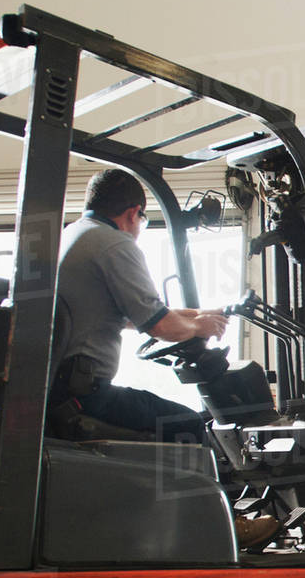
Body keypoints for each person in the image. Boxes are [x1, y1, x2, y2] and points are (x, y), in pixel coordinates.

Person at [48, 168, 229, 444]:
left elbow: (135, 316)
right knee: (191, 425)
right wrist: (198, 326)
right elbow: (160, 325)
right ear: (133, 213)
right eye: (142, 220)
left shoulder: (73, 234)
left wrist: (200, 315)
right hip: (85, 397)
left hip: (61, 390)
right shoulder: (114, 245)